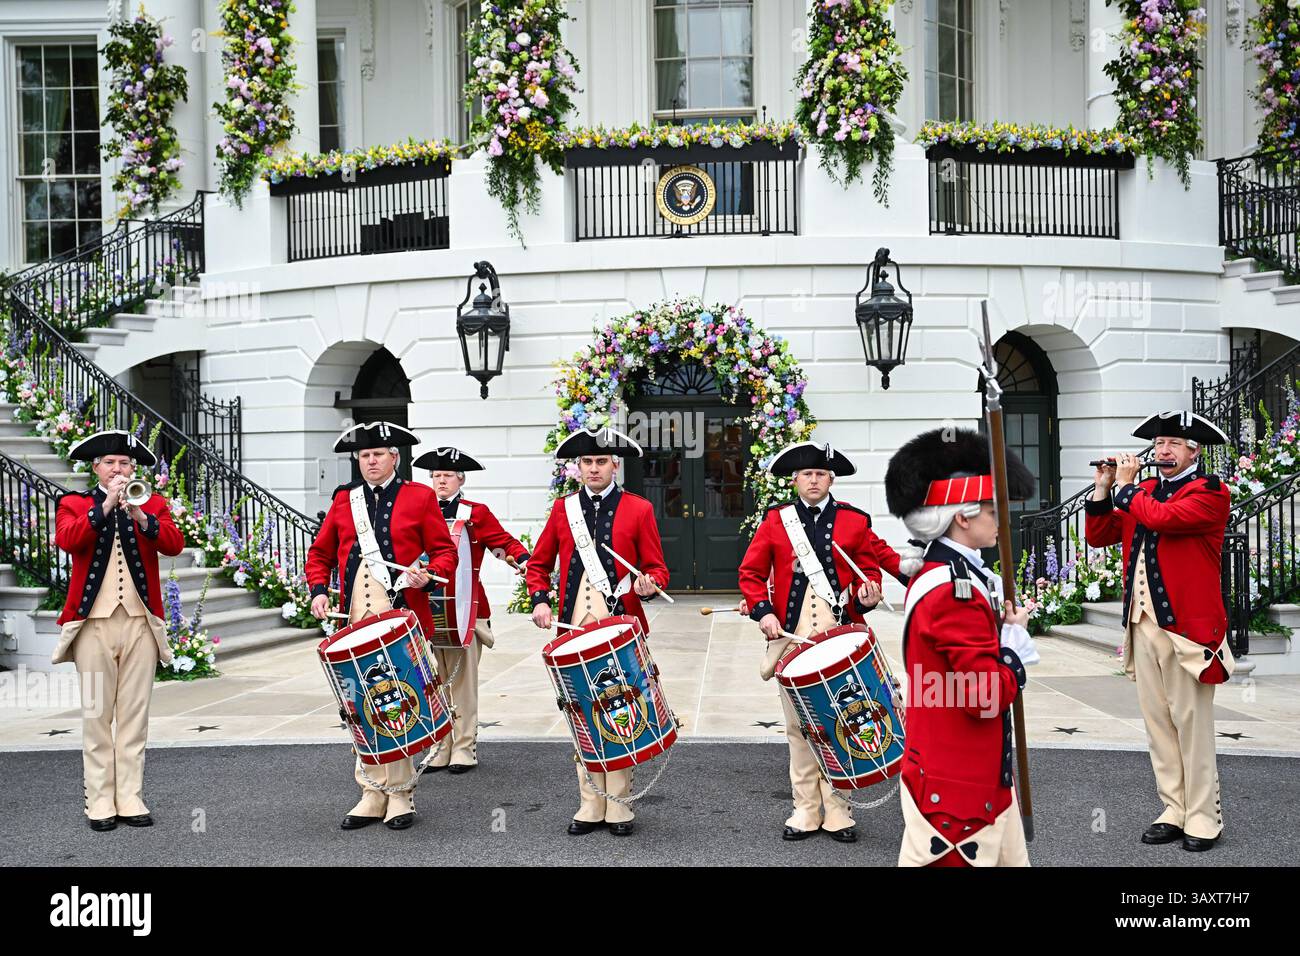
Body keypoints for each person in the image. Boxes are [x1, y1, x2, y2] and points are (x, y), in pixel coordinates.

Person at [884, 428, 1039, 867]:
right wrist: (1013, 652)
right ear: (963, 517)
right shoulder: (957, 591)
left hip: (975, 772)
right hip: (959, 782)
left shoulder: (949, 574)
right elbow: (984, 696)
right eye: (993, 511)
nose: (1000, 521)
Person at [738, 440, 905, 844]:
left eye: (820, 474)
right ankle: (805, 808)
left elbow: (870, 570)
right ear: (795, 480)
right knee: (798, 729)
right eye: (806, 474)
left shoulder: (854, 521)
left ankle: (839, 809)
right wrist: (765, 612)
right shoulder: (776, 521)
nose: (813, 480)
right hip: (793, 642)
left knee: (842, 722)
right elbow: (751, 574)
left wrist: (871, 590)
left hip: (842, 639)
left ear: (831, 479)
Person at [1085, 410, 1233, 852]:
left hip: (1189, 630)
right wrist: (1104, 489)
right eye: (1160, 443)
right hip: (1143, 623)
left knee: (1192, 725)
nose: (1162, 451)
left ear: (1194, 450)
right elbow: (1100, 534)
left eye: (1173, 443)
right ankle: (1175, 808)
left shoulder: (1210, 491)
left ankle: (1205, 817)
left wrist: (1127, 489)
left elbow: (1165, 519)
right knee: (1158, 724)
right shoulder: (1144, 492)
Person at [306, 422, 457, 831]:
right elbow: (319, 553)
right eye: (365, 454)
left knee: (400, 703)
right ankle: (371, 792)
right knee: (362, 707)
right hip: (357, 619)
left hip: (404, 622)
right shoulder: (344, 501)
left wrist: (428, 571)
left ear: (395, 457)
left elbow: (445, 552)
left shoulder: (420, 496)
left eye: (379, 453)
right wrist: (319, 590)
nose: (371, 460)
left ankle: (401, 795)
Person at [526, 426, 668, 837]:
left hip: (621, 629)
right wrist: (539, 599)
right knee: (581, 712)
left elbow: (658, 569)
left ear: (615, 466)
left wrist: (649, 583)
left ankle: (619, 802)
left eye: (600, 461)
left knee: (619, 709)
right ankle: (590, 802)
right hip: (573, 627)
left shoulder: (638, 509)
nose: (593, 468)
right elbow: (538, 565)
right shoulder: (562, 509)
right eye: (586, 462)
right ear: (578, 467)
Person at [52, 430, 185, 831]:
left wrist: (141, 516)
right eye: (110, 463)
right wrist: (107, 505)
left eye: (125, 464)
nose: (118, 469)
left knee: (133, 715)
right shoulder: (73, 503)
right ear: (96, 468)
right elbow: (68, 540)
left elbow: (174, 545)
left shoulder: (153, 503)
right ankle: (99, 800)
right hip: (93, 624)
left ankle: (129, 796)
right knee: (96, 715)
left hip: (140, 623)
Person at [413, 446, 530, 774]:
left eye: (447, 475)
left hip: (467, 608)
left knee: (462, 680)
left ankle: (464, 746)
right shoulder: (420, 511)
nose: (441, 481)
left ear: (461, 479)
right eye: (436, 476)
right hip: (427, 607)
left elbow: (503, 543)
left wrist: (521, 560)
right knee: (433, 680)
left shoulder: (475, 512)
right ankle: (441, 745)